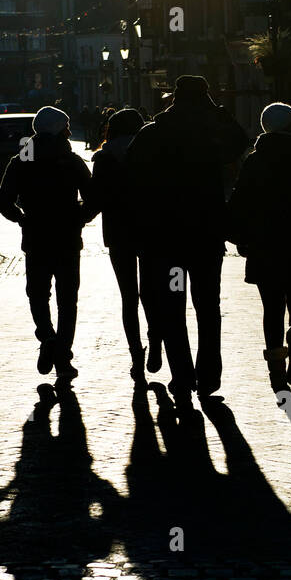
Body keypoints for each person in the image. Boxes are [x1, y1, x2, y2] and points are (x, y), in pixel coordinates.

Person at [126, 75, 248, 409]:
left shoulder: (151, 134)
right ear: (204, 100)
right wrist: (219, 111)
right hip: (205, 238)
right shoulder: (209, 136)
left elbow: (130, 183)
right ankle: (208, 374)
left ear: (173, 100)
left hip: (167, 242)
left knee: (173, 306)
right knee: (208, 306)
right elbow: (240, 141)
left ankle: (182, 373)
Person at [227, 103, 291, 393]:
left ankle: (276, 369)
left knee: (272, 308)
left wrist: (239, 236)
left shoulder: (255, 160)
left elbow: (239, 202)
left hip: (264, 244)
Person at [0, 105, 94, 382]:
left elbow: (2, 202)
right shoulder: (71, 160)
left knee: (37, 294)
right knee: (67, 300)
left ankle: (47, 337)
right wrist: (80, 218)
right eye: (66, 127)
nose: (70, 131)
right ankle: (63, 356)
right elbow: (95, 198)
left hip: (36, 237)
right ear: (60, 130)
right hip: (67, 239)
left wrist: (22, 219)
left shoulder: (22, 160)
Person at [91, 106, 162, 383]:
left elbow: (96, 199)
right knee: (152, 293)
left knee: (128, 298)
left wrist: (76, 218)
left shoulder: (104, 159)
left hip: (119, 234)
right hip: (149, 231)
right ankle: (156, 341)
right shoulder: (151, 155)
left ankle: (137, 356)